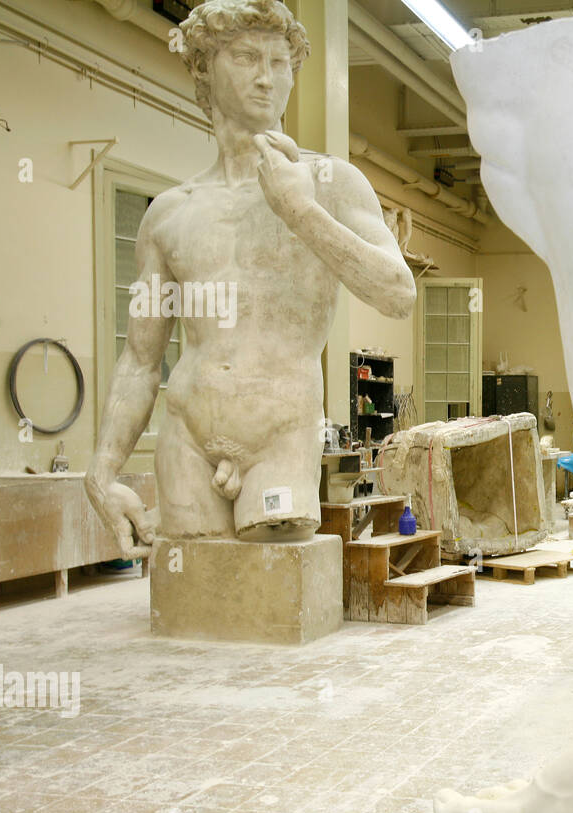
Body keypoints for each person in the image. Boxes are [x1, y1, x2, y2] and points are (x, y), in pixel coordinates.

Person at [86, 0, 416, 551]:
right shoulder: (170, 212)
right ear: (204, 70)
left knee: (275, 593)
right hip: (187, 434)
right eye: (245, 57)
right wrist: (102, 469)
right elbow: (140, 359)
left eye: (280, 62)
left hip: (282, 431)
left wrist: (302, 213)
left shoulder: (330, 183)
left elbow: (398, 293)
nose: (267, 78)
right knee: (193, 598)